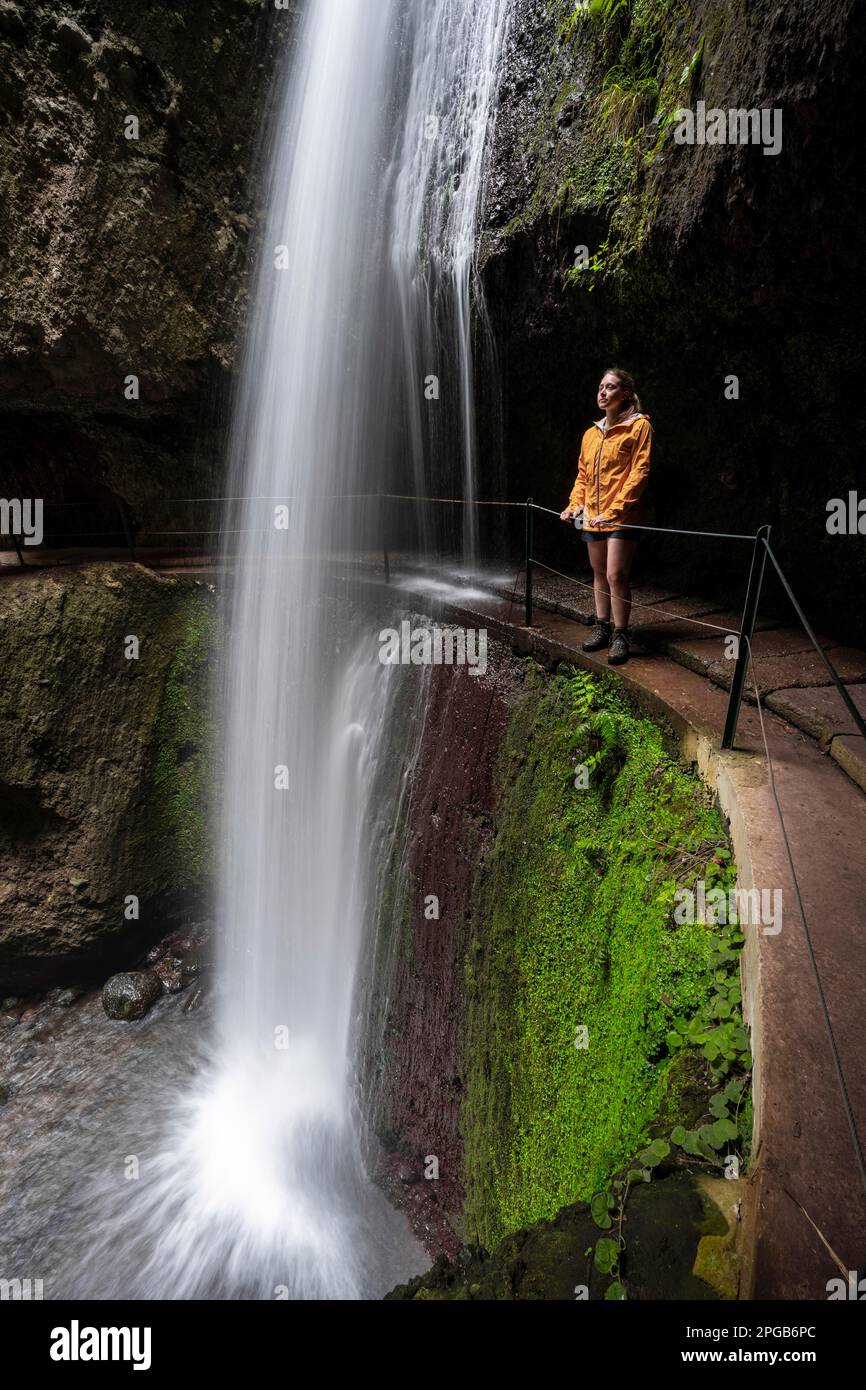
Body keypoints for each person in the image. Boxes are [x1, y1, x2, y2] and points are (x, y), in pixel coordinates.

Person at [560, 367, 652, 666]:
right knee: (599, 573)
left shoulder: (639, 428)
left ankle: (621, 634)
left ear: (625, 394)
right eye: (601, 386)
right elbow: (584, 476)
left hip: (622, 514)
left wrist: (613, 511)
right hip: (593, 515)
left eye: (610, 387)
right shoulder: (591, 433)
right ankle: (602, 626)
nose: (602, 392)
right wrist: (574, 506)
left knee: (616, 574)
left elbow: (640, 472)